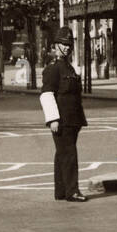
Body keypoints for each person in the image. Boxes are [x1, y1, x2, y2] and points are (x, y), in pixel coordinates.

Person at [39, 27, 88, 203]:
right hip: (61, 119)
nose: (67, 47)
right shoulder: (53, 69)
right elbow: (46, 94)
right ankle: (72, 191)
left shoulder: (70, 68)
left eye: (69, 44)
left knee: (62, 154)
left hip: (72, 119)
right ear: (56, 45)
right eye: (63, 44)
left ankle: (60, 191)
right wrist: (53, 119)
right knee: (69, 154)